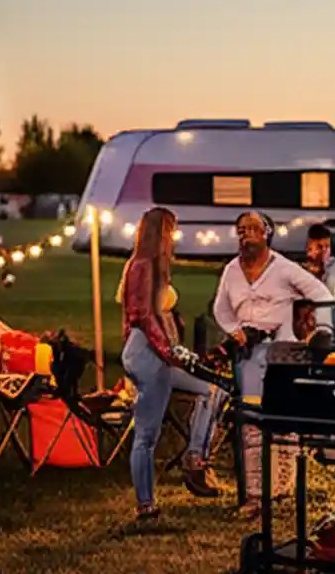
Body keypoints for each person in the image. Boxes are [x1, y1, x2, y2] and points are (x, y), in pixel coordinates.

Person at [213, 210, 333, 513]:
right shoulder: (231, 270)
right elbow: (221, 308)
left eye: (253, 228)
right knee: (252, 419)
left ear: (267, 232)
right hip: (249, 352)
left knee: (282, 419)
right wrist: (234, 331)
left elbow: (320, 293)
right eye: (240, 229)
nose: (245, 234)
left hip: (282, 352)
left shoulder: (283, 268)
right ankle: (255, 494)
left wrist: (312, 329)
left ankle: (281, 488)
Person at [118, 207, 226, 521]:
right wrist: (170, 350)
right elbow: (143, 316)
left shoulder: (154, 266)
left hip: (159, 352)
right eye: (171, 230)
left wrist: (175, 347)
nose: (174, 238)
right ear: (161, 231)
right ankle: (145, 502)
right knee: (147, 432)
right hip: (147, 352)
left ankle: (194, 457)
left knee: (212, 389)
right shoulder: (142, 266)